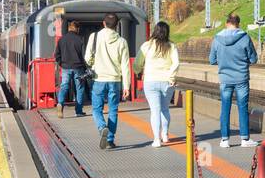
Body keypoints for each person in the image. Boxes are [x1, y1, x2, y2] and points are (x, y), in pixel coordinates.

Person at [208, 13, 258, 149]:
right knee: (242, 107)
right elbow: (253, 59)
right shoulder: (245, 37)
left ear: (226, 23)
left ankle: (224, 140)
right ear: (238, 24)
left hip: (224, 78)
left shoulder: (217, 39)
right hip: (241, 78)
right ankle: (245, 139)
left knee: (225, 108)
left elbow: (212, 60)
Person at [86, 12, 130, 150]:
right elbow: (125, 65)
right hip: (115, 80)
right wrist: (126, 86)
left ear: (103, 23)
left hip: (99, 79)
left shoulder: (94, 37)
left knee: (96, 109)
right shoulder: (122, 42)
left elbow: (87, 58)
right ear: (116, 26)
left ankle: (101, 127)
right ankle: (110, 139)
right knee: (113, 110)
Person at [138, 20, 179, 149]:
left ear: (155, 31)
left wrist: (137, 71)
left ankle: (157, 139)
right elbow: (176, 63)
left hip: (150, 82)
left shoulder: (147, 45)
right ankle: (165, 135)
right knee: (165, 109)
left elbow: (138, 62)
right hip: (167, 82)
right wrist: (171, 76)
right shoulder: (171, 46)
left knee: (155, 111)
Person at [54, 20, 89, 119]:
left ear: (69, 28)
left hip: (65, 67)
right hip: (78, 68)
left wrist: (61, 63)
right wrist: (86, 67)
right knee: (80, 88)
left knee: (64, 86)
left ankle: (60, 103)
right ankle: (78, 111)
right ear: (77, 29)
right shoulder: (80, 39)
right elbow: (84, 56)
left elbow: (57, 55)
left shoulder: (62, 40)